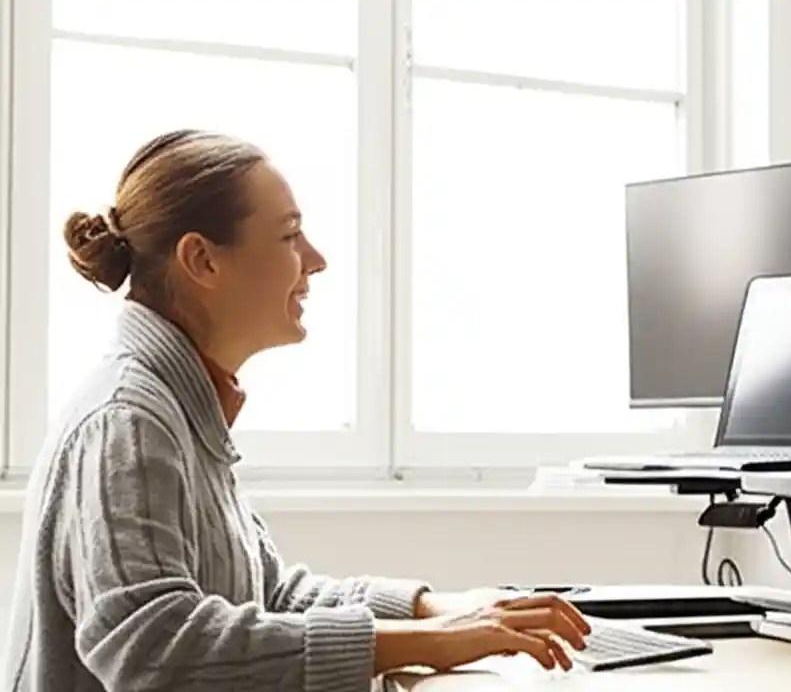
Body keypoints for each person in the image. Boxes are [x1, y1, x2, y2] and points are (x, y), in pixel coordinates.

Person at [1, 130, 591, 691]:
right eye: (289, 236)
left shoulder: (179, 407)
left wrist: (440, 608)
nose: (316, 260)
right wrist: (428, 642)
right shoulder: (127, 421)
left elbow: (270, 594)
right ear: (202, 260)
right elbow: (156, 649)